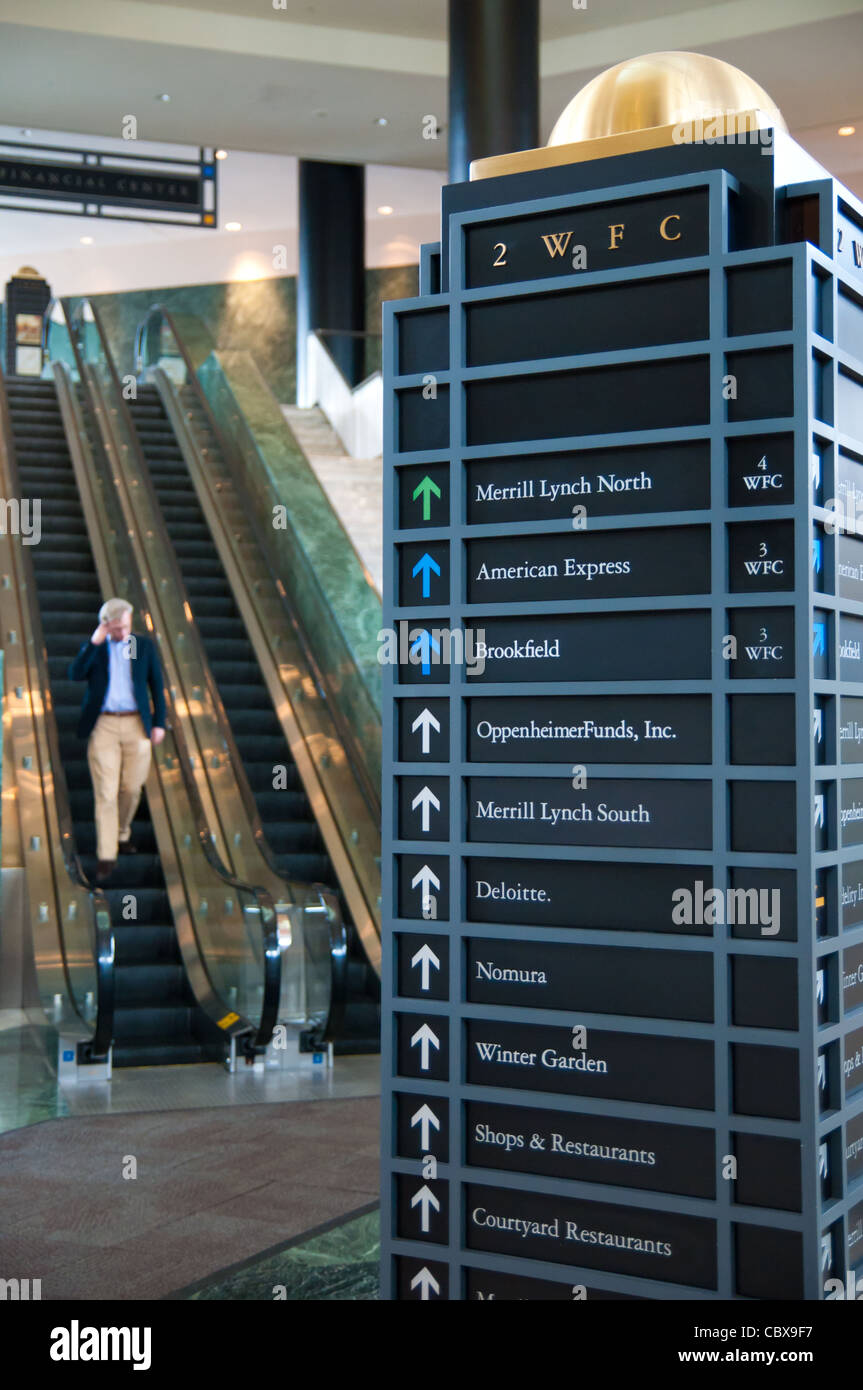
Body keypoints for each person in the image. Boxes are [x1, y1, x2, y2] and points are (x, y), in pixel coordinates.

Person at [68, 598, 166, 882]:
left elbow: (156, 685)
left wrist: (159, 723)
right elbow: (74, 674)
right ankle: (107, 854)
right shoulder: (97, 649)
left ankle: (122, 832)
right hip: (104, 724)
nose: (123, 633)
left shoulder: (140, 646)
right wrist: (94, 642)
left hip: (137, 723)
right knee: (106, 792)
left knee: (132, 787)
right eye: (117, 628)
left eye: (126, 626)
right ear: (106, 625)